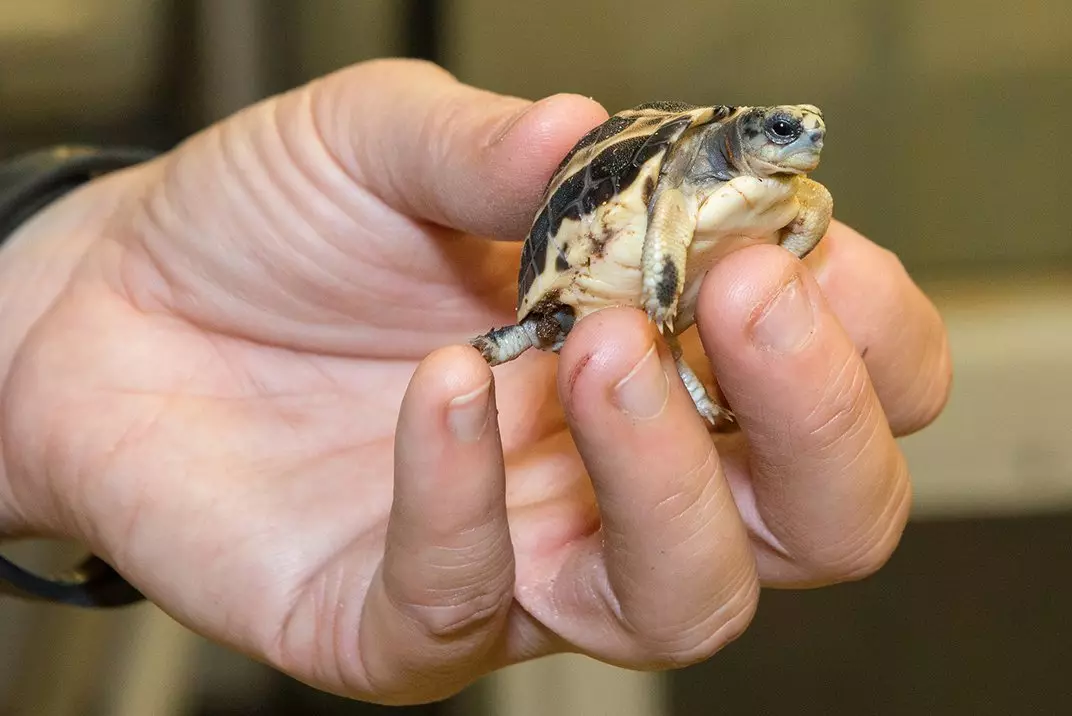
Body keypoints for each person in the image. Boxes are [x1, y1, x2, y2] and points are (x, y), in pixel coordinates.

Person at [0, 59, 950, 705]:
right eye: (783, 131)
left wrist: (59, 314)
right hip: (590, 264)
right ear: (742, 135)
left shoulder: (790, 194)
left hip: (656, 290)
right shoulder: (683, 167)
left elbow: (802, 215)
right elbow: (663, 234)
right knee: (566, 340)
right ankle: (540, 337)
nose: (800, 147)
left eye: (810, 135)